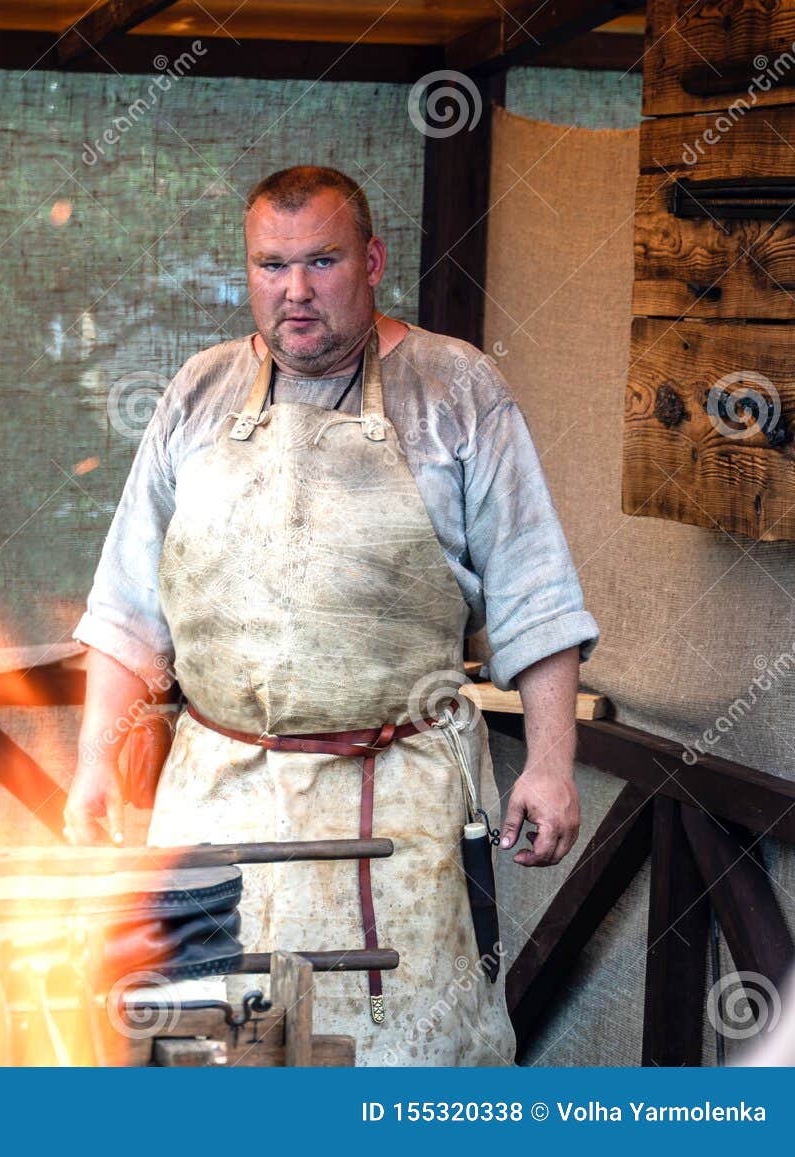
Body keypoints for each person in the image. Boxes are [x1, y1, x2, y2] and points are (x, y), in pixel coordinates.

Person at [65, 165, 598, 1065]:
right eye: (272, 266)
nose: (296, 291)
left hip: (394, 803)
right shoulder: (198, 394)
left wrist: (551, 763)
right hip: (215, 797)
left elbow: (535, 595)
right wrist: (90, 765)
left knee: (409, 1063)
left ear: (373, 259)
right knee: (204, 1058)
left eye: (321, 261)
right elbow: (126, 610)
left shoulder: (456, 390)